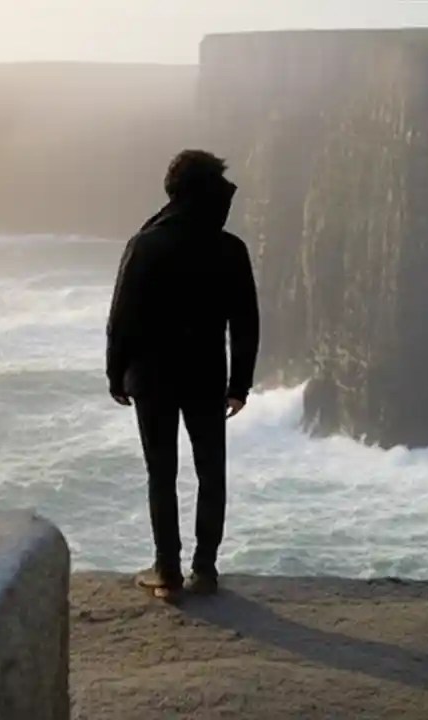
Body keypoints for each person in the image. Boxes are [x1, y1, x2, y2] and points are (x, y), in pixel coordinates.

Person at [105, 149, 259, 599]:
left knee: (162, 471)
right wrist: (240, 385)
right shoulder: (230, 249)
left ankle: (167, 572)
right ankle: (206, 570)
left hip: (152, 378)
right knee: (212, 471)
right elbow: (245, 322)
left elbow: (122, 319)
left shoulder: (146, 243)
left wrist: (116, 375)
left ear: (173, 190)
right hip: (206, 375)